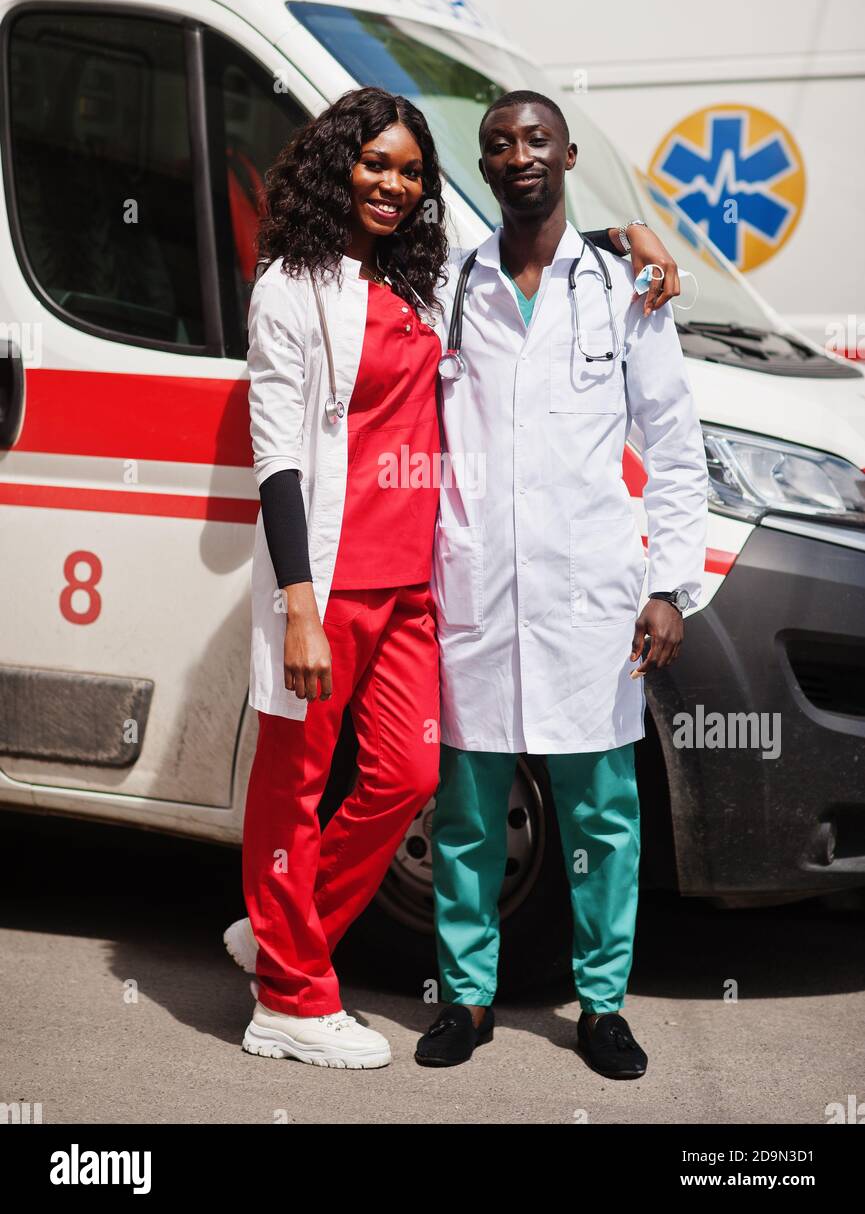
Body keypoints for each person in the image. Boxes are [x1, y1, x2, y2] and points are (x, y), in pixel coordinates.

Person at [227, 84, 685, 1069]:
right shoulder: (373, 283)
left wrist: (630, 230)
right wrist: (298, 603)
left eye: (408, 170)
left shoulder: (539, 282)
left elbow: (669, 431)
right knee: (386, 797)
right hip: (390, 584)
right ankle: (363, 995)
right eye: (374, 164)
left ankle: (594, 1003)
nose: (391, 184)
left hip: (496, 591)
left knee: (506, 794)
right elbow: (281, 445)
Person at [414, 91, 709, 1078]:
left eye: (536, 138)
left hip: (589, 598)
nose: (519, 155)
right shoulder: (450, 285)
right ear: (484, 168)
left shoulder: (625, 288)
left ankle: (601, 1004)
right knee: (465, 812)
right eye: (499, 144)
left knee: (601, 814)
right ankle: (464, 998)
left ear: (568, 153)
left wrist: (669, 582)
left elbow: (673, 446)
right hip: (475, 597)